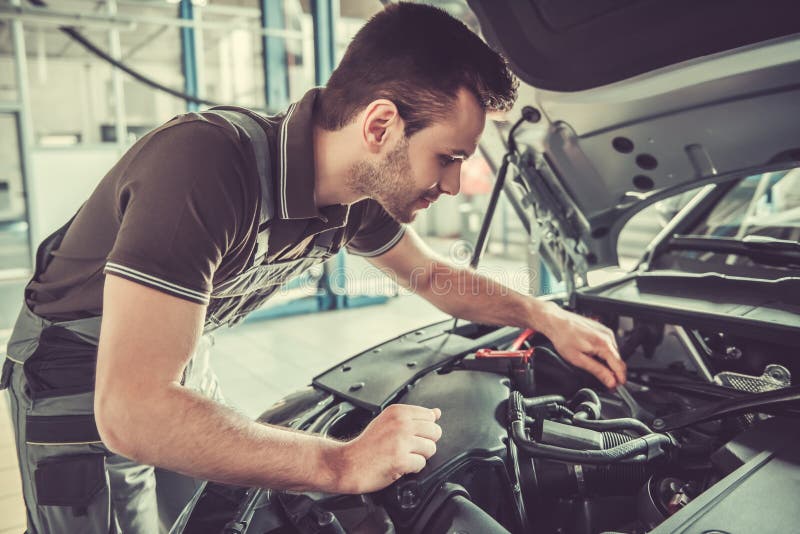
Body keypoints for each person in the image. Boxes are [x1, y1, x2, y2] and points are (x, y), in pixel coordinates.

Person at [0, 3, 625, 533]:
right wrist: (340, 463)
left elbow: (435, 278)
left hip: (178, 355)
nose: (457, 183)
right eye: (448, 156)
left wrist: (545, 315)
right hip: (76, 370)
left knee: (209, 510)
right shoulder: (206, 164)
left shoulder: (355, 198)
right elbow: (132, 410)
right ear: (380, 125)